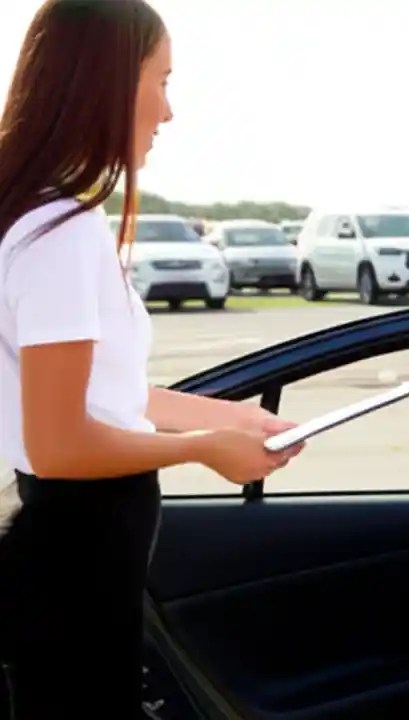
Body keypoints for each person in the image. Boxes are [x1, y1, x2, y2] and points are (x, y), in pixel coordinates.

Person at [0, 1, 303, 715]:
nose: (169, 112)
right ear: (105, 81)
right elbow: (62, 442)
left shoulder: (39, 217)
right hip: (74, 559)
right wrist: (203, 450)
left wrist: (226, 417)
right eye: (161, 81)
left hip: (66, 552)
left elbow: (106, 395)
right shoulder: (62, 234)